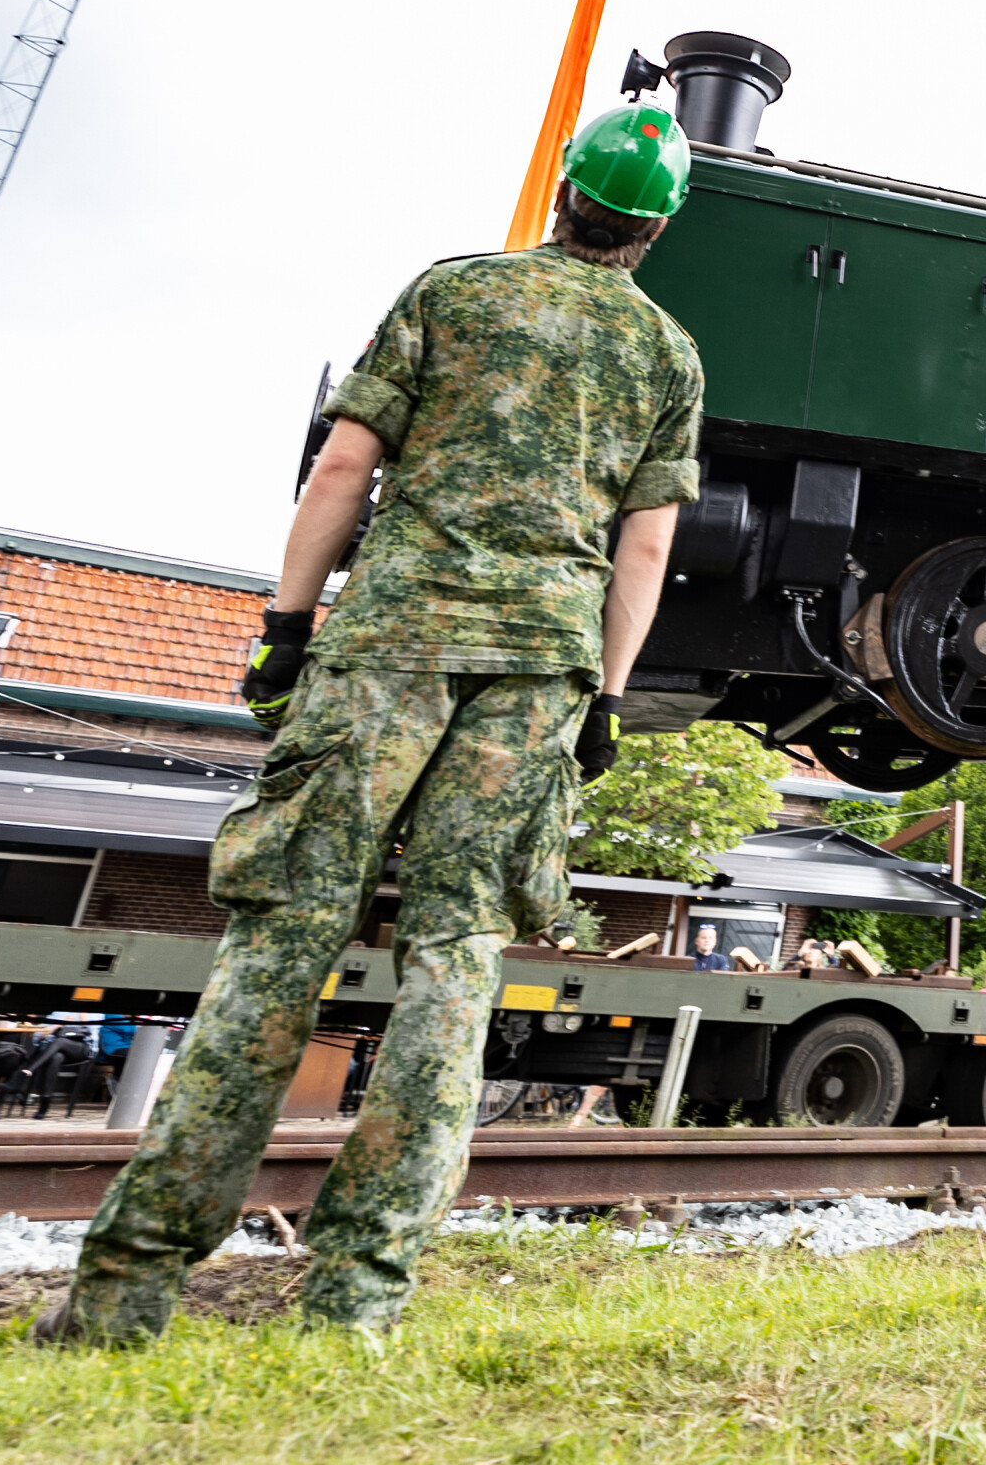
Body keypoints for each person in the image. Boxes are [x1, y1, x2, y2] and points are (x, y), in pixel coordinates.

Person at [42, 98, 707, 1346]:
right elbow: (649, 540)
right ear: (657, 227)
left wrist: (287, 627)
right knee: (457, 961)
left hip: (387, 640)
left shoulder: (451, 293)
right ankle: (356, 1303)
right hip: (537, 670)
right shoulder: (668, 357)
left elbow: (342, 467)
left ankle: (125, 1292)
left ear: (565, 192)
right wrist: (605, 699)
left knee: (284, 937)